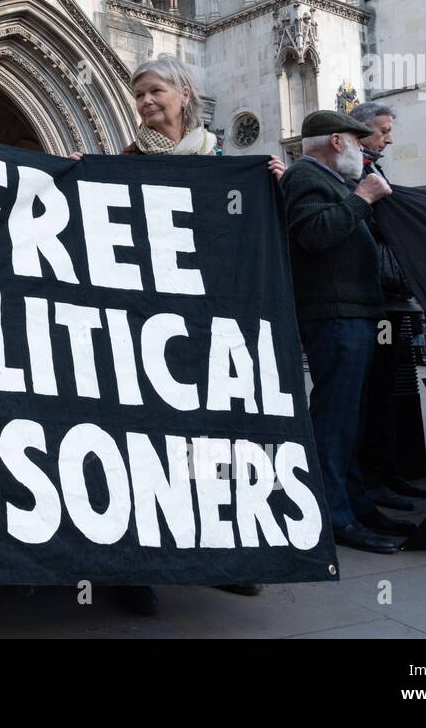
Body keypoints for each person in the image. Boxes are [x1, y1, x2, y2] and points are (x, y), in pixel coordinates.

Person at [72, 54, 282, 616]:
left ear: (184, 94)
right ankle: (128, 567)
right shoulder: (125, 162)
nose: (145, 102)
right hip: (143, 326)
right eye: (138, 94)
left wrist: (276, 194)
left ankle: (222, 557)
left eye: (155, 91)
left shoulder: (226, 163)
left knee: (214, 443)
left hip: (210, 330)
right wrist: (72, 179)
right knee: (139, 444)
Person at [280, 110, 415, 556]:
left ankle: (356, 503)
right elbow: (313, 236)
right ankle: (332, 516)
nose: (364, 150)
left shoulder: (334, 181)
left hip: (357, 312)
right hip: (333, 316)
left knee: (353, 419)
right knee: (335, 420)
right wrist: (362, 198)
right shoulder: (303, 176)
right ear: (338, 141)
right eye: (358, 143)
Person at [348, 102, 426, 507]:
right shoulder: (353, 169)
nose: (390, 138)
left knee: (390, 392)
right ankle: (371, 479)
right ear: (359, 131)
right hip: (374, 298)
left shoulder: (373, 167)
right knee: (370, 394)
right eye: (383, 130)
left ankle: (390, 471)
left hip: (394, 299)